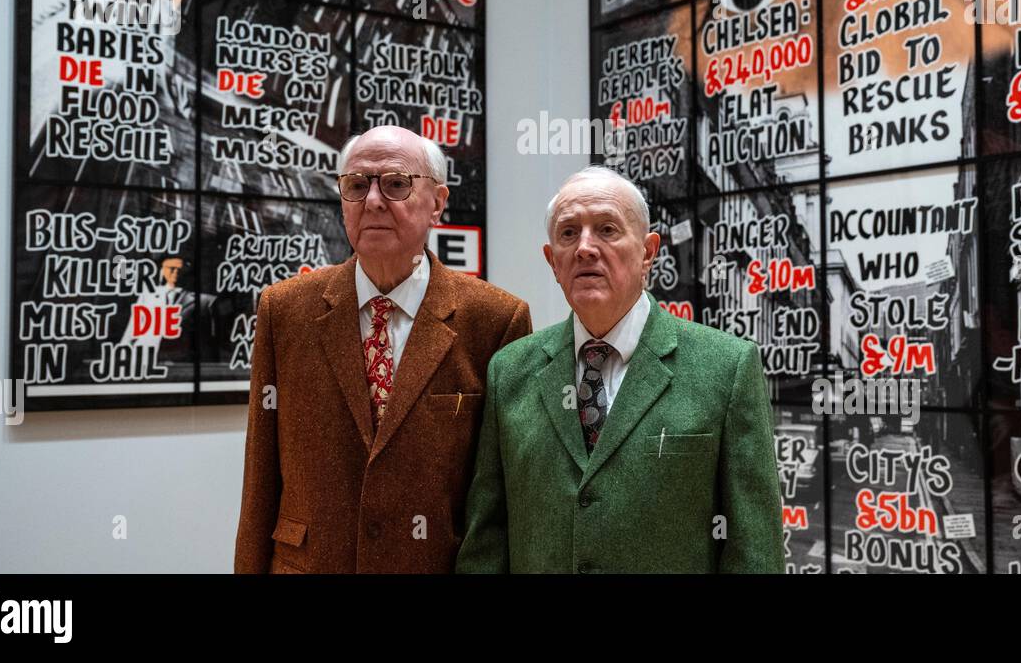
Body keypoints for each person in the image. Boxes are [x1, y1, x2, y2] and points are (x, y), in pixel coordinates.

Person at [234, 126, 531, 573]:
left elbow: (506, 497)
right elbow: (260, 479)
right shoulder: (285, 310)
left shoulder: (495, 321)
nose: (373, 200)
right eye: (357, 185)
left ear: (438, 203)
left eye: (396, 183)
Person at [456, 166, 782, 573]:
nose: (585, 248)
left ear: (648, 252)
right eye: (568, 233)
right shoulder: (510, 371)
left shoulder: (726, 367)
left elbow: (754, 550)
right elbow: (487, 536)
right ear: (551, 260)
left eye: (607, 229)